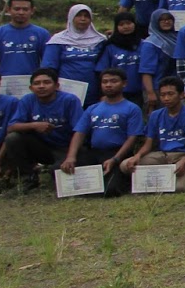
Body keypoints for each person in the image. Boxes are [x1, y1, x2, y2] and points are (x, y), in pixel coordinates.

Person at [58, 68, 144, 197]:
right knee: (58, 169)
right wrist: (71, 157)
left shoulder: (132, 108)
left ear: (124, 84)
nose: (108, 85)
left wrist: (115, 159)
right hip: (94, 152)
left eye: (113, 81)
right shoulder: (93, 108)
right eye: (105, 82)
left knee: (110, 190)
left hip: (118, 153)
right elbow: (79, 133)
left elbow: (132, 138)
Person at [0, 68, 83, 191]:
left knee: (59, 174)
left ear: (57, 86)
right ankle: (28, 177)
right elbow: (11, 127)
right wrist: (35, 125)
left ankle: (53, 170)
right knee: (13, 138)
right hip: (43, 147)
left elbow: (80, 130)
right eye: (37, 83)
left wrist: (71, 156)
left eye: (46, 82)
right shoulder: (28, 100)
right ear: (31, 88)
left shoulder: (69, 100)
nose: (41, 86)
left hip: (67, 147)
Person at [121, 77, 185, 192]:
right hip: (162, 155)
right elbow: (148, 143)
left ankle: (181, 174)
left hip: (182, 155)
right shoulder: (156, 115)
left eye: (170, 94)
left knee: (179, 188)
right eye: (163, 95)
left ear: (181, 95)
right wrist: (137, 156)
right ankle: (155, 180)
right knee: (125, 165)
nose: (166, 98)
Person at [41, 4, 106, 104]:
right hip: (65, 92)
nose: (83, 19)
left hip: (94, 91)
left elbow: (105, 67)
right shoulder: (58, 40)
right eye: (79, 15)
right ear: (71, 17)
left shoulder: (100, 40)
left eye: (86, 16)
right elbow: (49, 68)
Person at [0, 0, 50, 82]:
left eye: (25, 9)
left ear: (32, 11)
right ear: (8, 10)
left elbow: (47, 62)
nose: (21, 12)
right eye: (17, 9)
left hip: (32, 82)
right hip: (3, 82)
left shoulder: (42, 34)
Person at [95, 13, 142, 104]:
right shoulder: (110, 46)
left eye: (128, 23)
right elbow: (101, 71)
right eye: (121, 24)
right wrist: (103, 94)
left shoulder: (143, 44)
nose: (125, 27)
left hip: (139, 92)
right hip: (115, 93)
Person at [137, 9, 180, 108]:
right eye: (162, 20)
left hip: (174, 88)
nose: (166, 22)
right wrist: (150, 93)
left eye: (169, 19)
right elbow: (146, 72)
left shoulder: (177, 38)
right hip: (157, 89)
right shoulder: (150, 43)